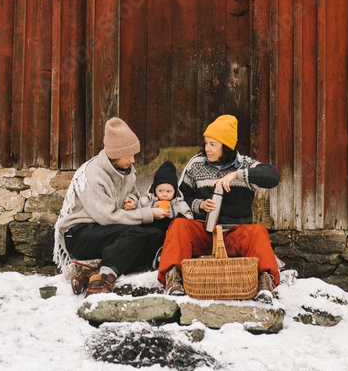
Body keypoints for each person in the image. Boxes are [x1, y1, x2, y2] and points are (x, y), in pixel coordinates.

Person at [156, 114, 282, 304]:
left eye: (213, 144)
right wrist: (199, 205)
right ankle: (173, 279)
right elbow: (180, 197)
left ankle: (265, 281)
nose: (207, 148)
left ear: (227, 146)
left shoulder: (245, 164)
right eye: (206, 143)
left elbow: (273, 176)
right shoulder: (196, 163)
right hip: (203, 230)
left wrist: (237, 175)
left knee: (258, 231)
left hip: (234, 234)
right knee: (179, 225)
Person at [53, 117, 168, 296]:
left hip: (109, 231)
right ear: (115, 154)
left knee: (156, 235)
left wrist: (132, 201)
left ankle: (91, 271)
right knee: (135, 234)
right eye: (128, 155)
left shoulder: (126, 171)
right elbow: (107, 217)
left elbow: (133, 193)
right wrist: (148, 214)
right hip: (80, 234)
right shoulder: (93, 173)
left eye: (134, 155)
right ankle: (102, 279)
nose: (133, 160)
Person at [139, 160, 192, 231]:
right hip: (149, 230)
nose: (164, 194)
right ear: (154, 190)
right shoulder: (145, 201)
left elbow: (190, 218)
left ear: (175, 192)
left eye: (168, 191)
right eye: (160, 191)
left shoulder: (180, 205)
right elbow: (138, 214)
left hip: (170, 232)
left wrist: (181, 217)